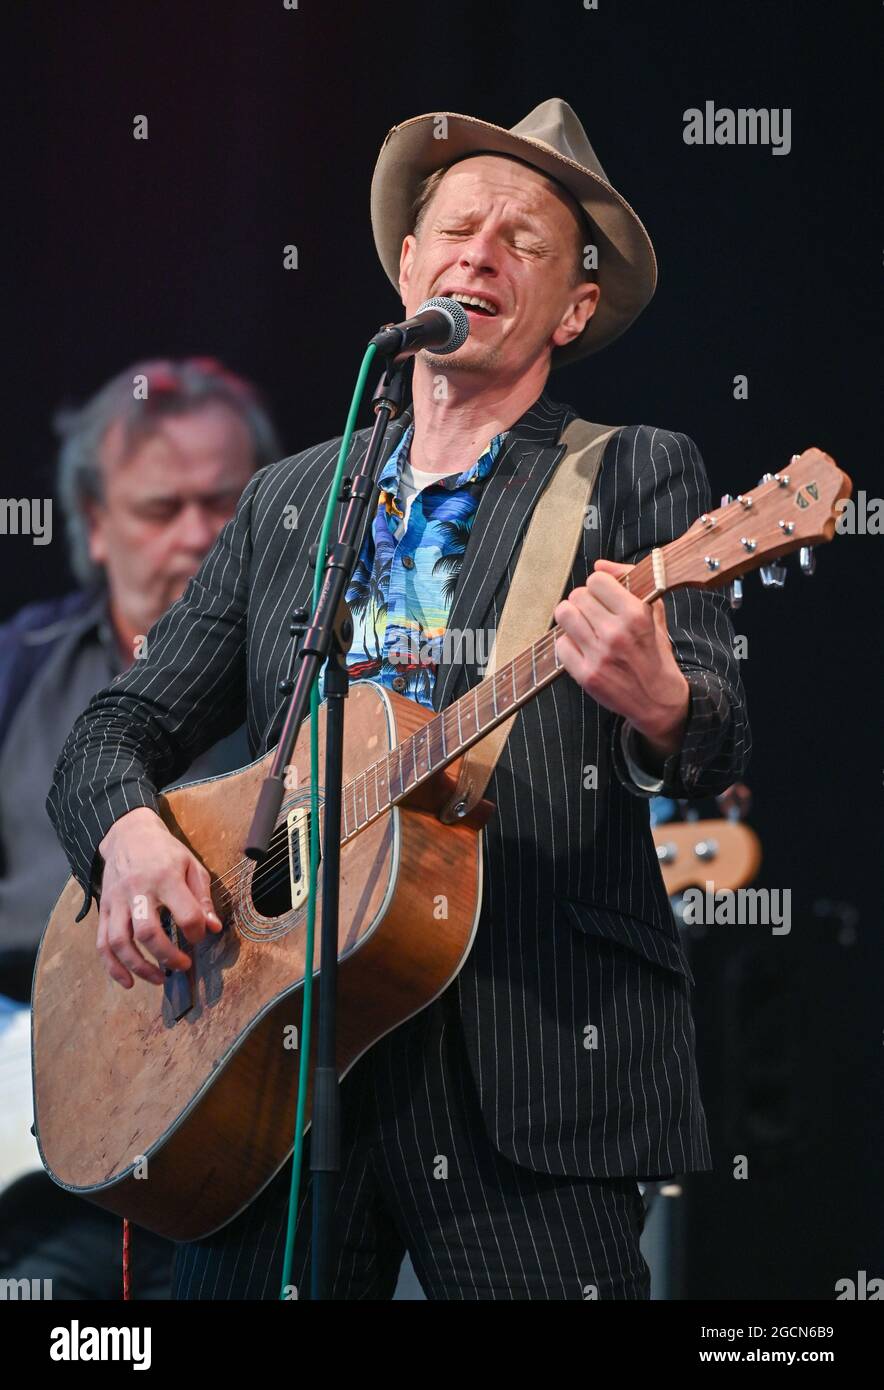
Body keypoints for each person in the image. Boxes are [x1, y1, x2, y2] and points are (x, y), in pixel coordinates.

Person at [48, 100, 753, 1300]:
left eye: (522, 241)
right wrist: (126, 839)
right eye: (456, 229)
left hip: (522, 1066)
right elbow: (113, 731)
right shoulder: (288, 499)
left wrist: (661, 704)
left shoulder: (629, 468)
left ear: (573, 307)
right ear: (408, 265)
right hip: (264, 1060)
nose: (480, 253)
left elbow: (713, 739)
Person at [0, 356, 280, 1297]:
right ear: (92, 526)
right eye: (163, 510)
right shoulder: (17, 672)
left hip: (254, 1148)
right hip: (39, 1169)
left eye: (226, 506)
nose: (200, 536)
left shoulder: (317, 681)